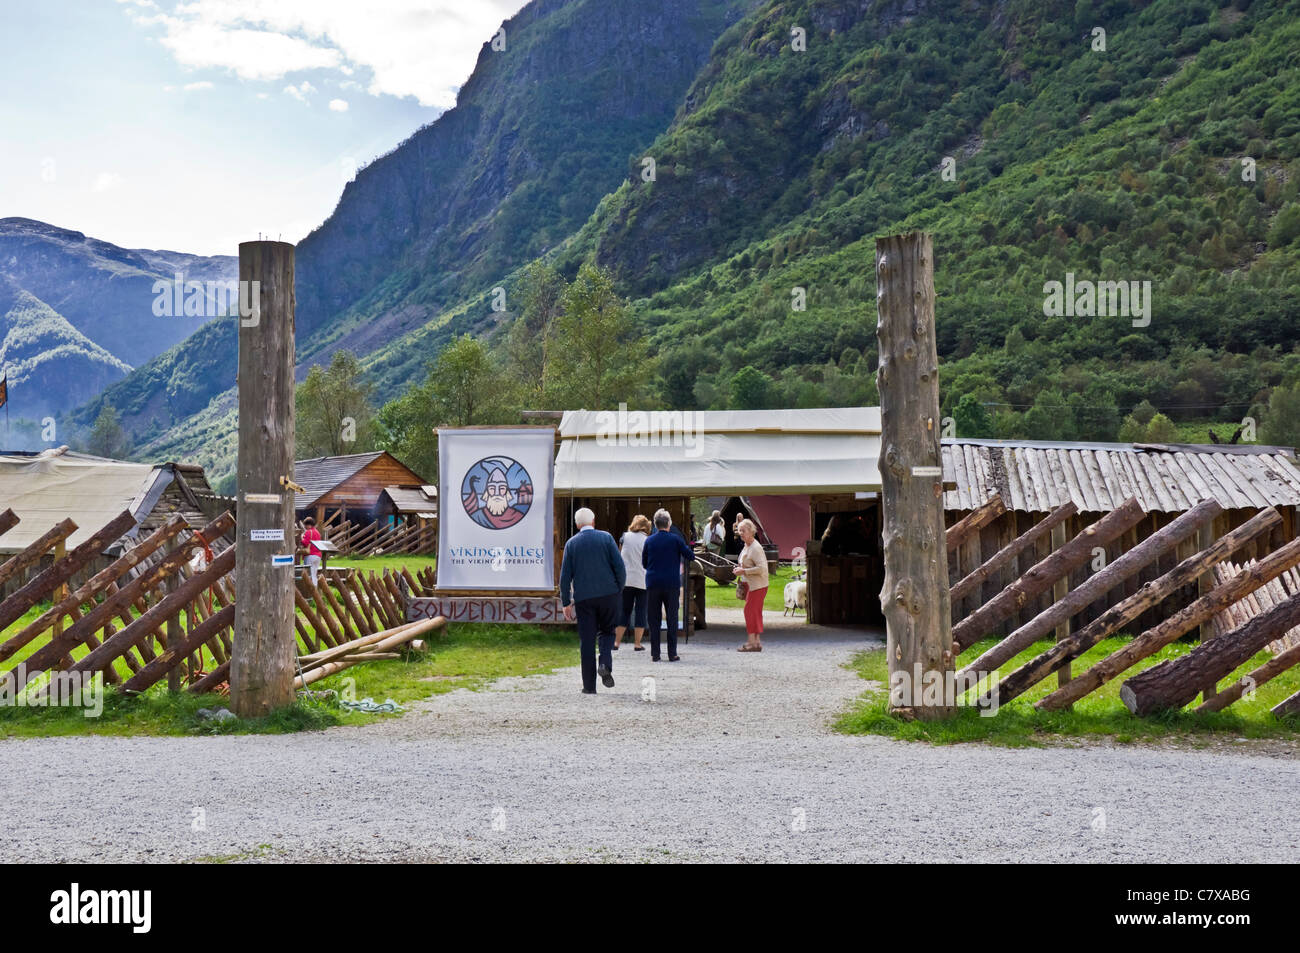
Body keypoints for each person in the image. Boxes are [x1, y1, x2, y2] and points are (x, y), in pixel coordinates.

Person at [558, 507, 626, 694]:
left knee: (587, 641)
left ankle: (589, 686)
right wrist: (618, 589)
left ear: (577, 524)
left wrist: (565, 602)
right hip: (608, 595)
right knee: (607, 631)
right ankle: (604, 661)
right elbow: (619, 567)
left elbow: (565, 577)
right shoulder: (606, 538)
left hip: (584, 598)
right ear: (594, 521)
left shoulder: (571, 544)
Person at [642, 508, 695, 662]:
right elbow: (690, 555)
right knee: (672, 618)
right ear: (669, 524)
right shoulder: (675, 539)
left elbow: (644, 562)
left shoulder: (649, 540)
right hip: (671, 583)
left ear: (655, 524)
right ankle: (672, 653)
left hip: (653, 582)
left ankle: (655, 654)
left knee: (654, 618)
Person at [615, 515, 650, 651]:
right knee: (641, 611)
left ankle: (616, 642)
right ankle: (637, 644)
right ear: (646, 527)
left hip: (626, 580)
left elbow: (619, 556)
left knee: (624, 611)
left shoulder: (625, 537)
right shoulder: (647, 540)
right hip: (642, 580)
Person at [733, 518, 769, 652]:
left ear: (751, 531)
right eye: (739, 530)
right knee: (755, 612)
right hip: (751, 584)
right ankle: (757, 642)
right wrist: (739, 569)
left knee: (749, 611)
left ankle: (751, 642)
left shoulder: (756, 547)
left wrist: (744, 571)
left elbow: (762, 568)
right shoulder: (747, 545)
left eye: (743, 530)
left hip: (758, 585)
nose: (740, 533)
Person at [302, 517, 324, 586]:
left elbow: (305, 543)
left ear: (309, 525)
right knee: (314, 574)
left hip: (310, 555)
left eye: (305, 525)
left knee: (309, 575)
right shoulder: (317, 532)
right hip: (318, 555)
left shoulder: (308, 532)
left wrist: (301, 538)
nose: (305, 527)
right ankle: (315, 590)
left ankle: (311, 591)